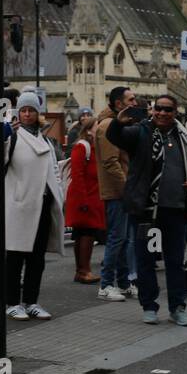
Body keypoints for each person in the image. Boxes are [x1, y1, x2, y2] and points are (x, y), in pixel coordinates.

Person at [106, 94, 187, 326]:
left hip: (176, 209)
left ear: (175, 112)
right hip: (147, 211)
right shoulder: (141, 131)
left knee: (175, 261)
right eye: (158, 108)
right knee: (146, 260)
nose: (162, 113)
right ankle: (149, 306)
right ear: (152, 110)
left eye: (167, 109)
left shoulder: (183, 137)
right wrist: (118, 123)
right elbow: (117, 137)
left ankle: (177, 308)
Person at [3, 91, 65, 320]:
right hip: (21, 206)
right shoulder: (13, 136)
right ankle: (11, 302)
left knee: (37, 259)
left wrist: (59, 196)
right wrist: (3, 133)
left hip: (43, 206)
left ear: (38, 113)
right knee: (15, 258)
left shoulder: (45, 138)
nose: (27, 114)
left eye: (31, 110)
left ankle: (31, 301)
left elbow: (54, 170)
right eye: (23, 110)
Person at [94, 86, 137, 302]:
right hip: (117, 191)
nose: (135, 103)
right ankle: (106, 284)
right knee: (117, 238)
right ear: (119, 104)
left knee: (123, 239)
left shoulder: (118, 123)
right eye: (131, 99)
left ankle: (123, 282)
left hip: (122, 190)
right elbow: (110, 162)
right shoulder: (108, 126)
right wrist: (126, 188)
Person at [64, 119, 106, 284]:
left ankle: (82, 270)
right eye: (97, 127)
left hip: (90, 197)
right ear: (89, 130)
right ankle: (83, 270)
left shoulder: (92, 147)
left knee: (84, 234)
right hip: (85, 198)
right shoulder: (82, 147)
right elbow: (77, 174)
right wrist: (83, 200)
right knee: (86, 234)